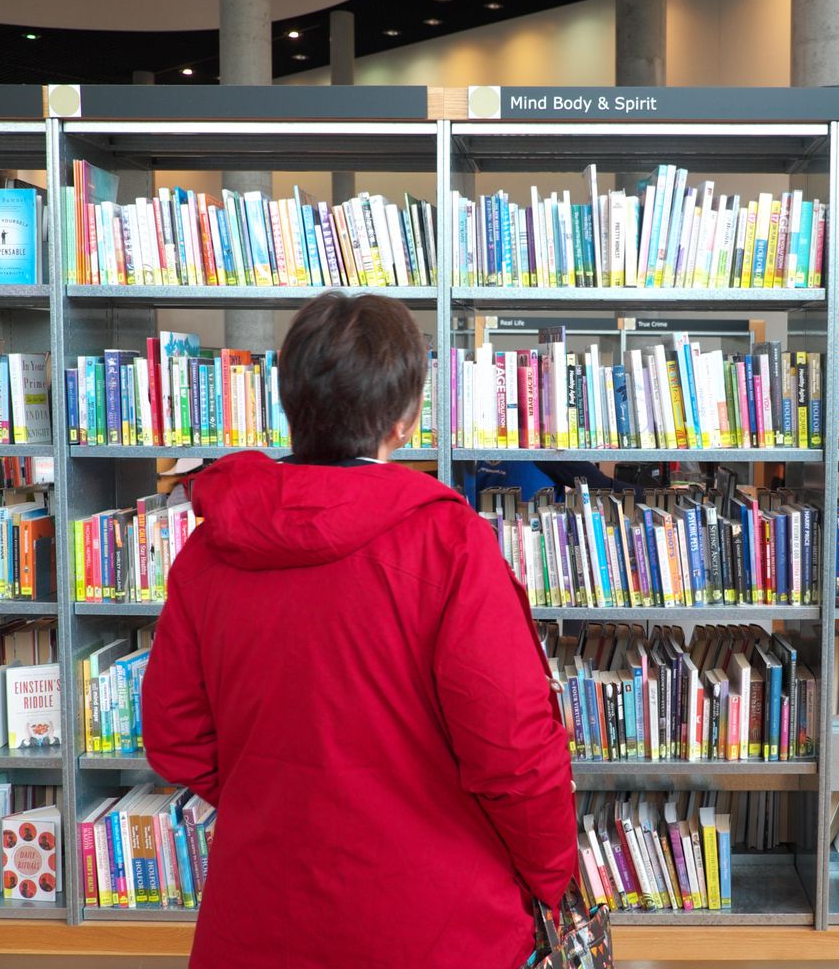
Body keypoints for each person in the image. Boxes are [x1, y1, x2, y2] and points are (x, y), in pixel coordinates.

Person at [143, 292, 576, 969]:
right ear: (405, 419)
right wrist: (550, 876)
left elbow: (175, 735)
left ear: (290, 407)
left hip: (262, 912)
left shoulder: (208, 550)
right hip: (435, 922)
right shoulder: (450, 546)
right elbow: (513, 752)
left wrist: (284, 798)